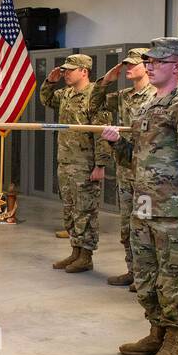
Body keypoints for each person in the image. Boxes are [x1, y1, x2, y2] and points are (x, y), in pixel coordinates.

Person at [101, 38, 178, 355]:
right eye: (148, 61)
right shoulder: (146, 106)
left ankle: (174, 340)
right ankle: (155, 331)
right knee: (146, 275)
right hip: (144, 207)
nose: (149, 66)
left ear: (177, 66)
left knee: (173, 278)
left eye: (157, 62)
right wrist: (116, 142)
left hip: (173, 211)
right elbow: (133, 159)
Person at [91, 47, 154, 289]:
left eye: (133, 64)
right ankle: (133, 270)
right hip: (125, 169)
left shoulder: (156, 95)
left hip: (147, 172)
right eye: (126, 64)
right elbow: (94, 106)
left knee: (146, 226)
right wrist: (106, 81)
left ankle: (147, 276)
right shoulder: (125, 96)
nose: (128, 68)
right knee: (127, 225)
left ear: (147, 66)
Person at [39, 54, 107, 273]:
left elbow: (101, 134)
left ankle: (86, 256)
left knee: (85, 211)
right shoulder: (66, 94)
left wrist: (100, 164)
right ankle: (75, 252)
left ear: (84, 71)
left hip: (85, 163)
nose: (66, 73)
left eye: (70, 70)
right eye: (65, 70)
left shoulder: (95, 96)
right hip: (66, 161)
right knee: (70, 209)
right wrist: (50, 81)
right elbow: (46, 100)